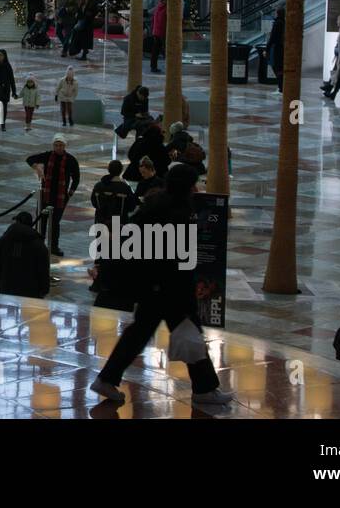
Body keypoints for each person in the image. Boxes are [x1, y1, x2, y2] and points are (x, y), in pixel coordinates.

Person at [90, 164, 235, 408]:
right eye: (193, 184)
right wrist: (186, 293)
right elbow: (175, 258)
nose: (196, 188)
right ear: (186, 187)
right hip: (168, 287)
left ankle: (107, 378)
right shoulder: (177, 212)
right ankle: (204, 389)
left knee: (142, 333)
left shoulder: (156, 204)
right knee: (188, 333)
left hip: (153, 285)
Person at [91, 159, 138, 311]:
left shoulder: (99, 186)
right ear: (120, 171)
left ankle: (98, 281)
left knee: (100, 251)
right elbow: (131, 206)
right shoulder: (125, 188)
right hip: (118, 224)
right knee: (115, 252)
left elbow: (94, 202)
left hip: (101, 221)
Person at [26, 135, 81, 257]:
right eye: (56, 145)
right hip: (46, 194)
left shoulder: (71, 160)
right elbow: (29, 159)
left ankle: (54, 247)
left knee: (55, 222)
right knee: (42, 220)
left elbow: (76, 177)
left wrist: (70, 193)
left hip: (61, 196)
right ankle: (39, 245)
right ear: (53, 146)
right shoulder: (47, 156)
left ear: (65, 146)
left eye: (61, 145)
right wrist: (38, 167)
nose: (58, 147)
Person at [0, 211, 51, 299]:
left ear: (17, 222)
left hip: (6, 289)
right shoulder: (39, 245)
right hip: (31, 292)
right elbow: (43, 269)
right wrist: (44, 289)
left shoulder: (3, 241)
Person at [267, 7, 285, 92]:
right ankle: (281, 85)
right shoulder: (284, 22)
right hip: (282, 47)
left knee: (276, 66)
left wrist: (268, 48)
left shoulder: (277, 23)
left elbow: (272, 37)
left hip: (277, 47)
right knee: (279, 67)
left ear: (277, 13)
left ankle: (281, 86)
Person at [149, 0, 167, 73]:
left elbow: (154, 19)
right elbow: (163, 21)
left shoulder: (158, 7)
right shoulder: (166, 8)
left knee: (155, 50)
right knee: (163, 49)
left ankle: (153, 66)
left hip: (156, 31)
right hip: (162, 32)